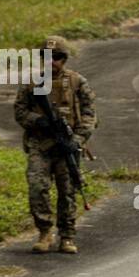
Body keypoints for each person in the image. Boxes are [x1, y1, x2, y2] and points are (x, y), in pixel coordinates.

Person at [13, 36, 96, 255]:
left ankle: (67, 235)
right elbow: (20, 111)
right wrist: (38, 120)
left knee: (67, 191)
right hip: (40, 145)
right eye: (47, 57)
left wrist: (77, 140)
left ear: (64, 59)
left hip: (67, 145)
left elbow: (89, 115)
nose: (52, 62)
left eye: (57, 58)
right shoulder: (33, 83)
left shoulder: (78, 82)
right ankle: (44, 232)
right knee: (37, 188)